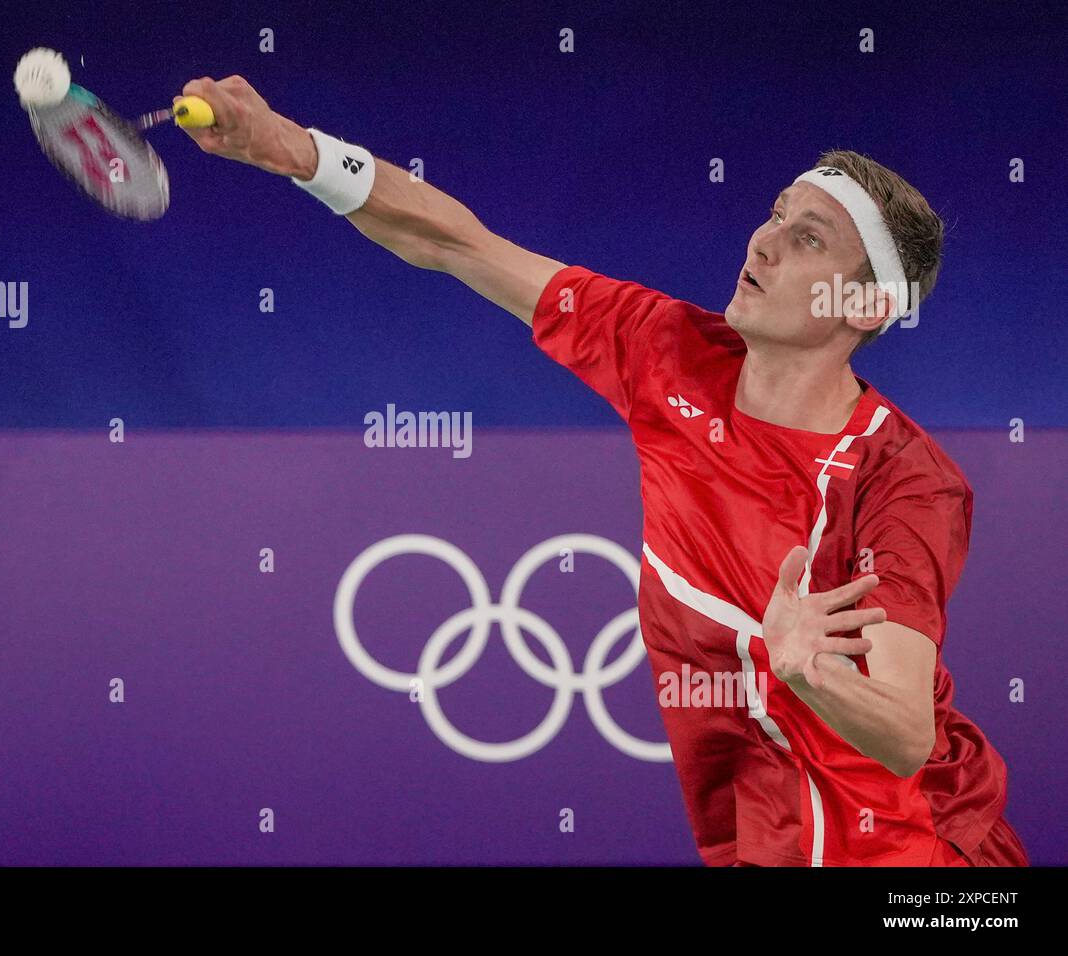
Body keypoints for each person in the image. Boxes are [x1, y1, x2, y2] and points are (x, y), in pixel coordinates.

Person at [175, 75, 1029, 867]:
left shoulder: (902, 480)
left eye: (806, 239)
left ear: (867, 306)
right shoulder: (669, 351)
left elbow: (907, 732)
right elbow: (457, 243)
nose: (764, 240)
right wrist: (293, 150)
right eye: (774, 215)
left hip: (917, 854)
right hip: (759, 836)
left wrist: (807, 668)